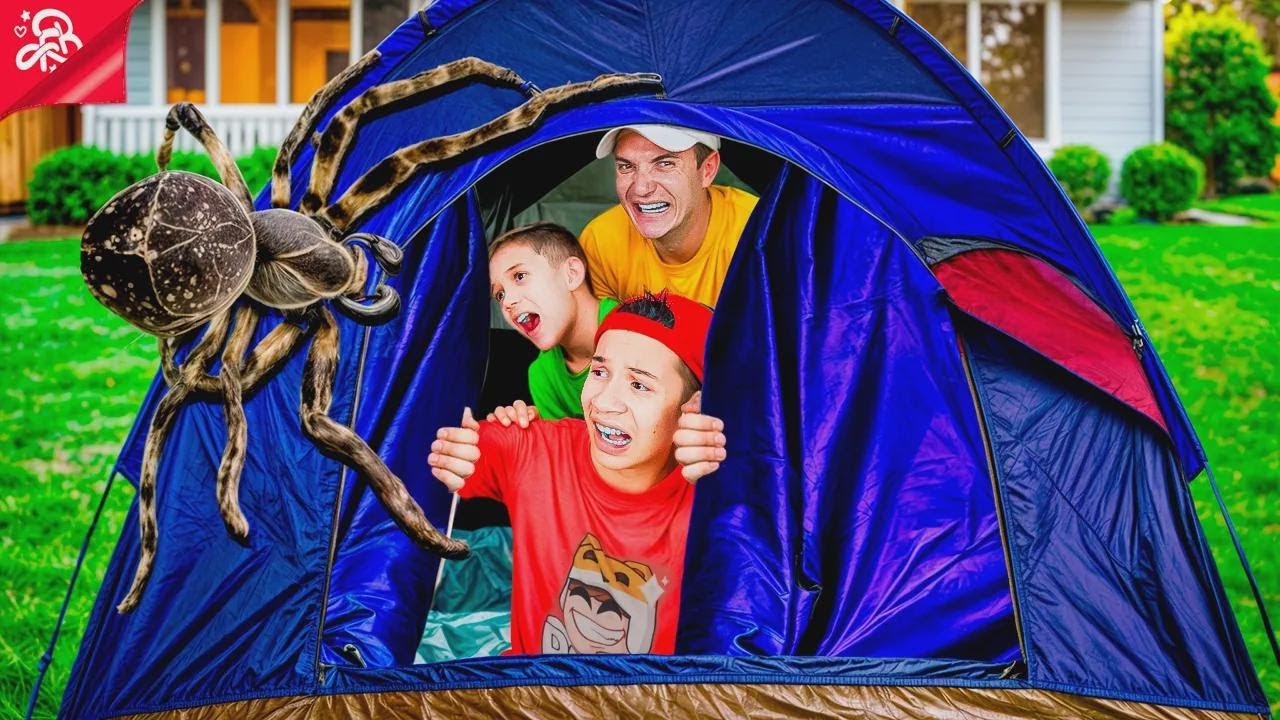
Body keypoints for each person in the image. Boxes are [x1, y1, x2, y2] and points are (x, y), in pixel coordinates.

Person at [427, 292, 728, 655]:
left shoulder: (720, 494)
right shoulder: (533, 450)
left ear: (693, 406)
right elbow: (413, 452)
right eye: (599, 372)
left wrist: (731, 472)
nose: (604, 403)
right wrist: (446, 449)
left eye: (639, 385)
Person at [579, 124, 758, 308]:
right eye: (626, 166)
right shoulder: (601, 240)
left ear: (708, 170)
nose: (641, 188)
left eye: (665, 164)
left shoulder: (760, 235)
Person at [488, 222, 618, 421]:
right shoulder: (542, 376)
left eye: (520, 276)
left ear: (571, 274)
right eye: (499, 294)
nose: (507, 301)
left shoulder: (636, 329)